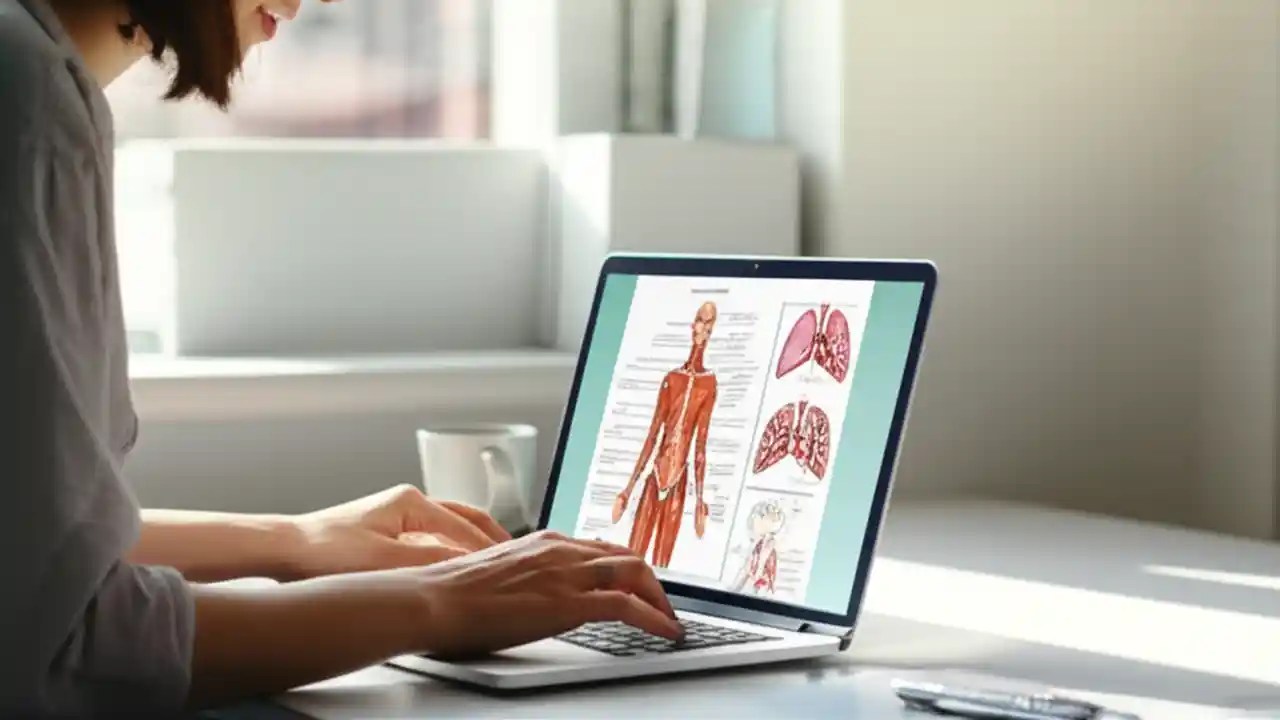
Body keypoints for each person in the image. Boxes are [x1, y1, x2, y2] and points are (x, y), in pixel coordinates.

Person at [0, 0, 682, 715]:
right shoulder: (26, 104)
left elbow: (40, 553)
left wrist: (296, 540)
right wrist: (443, 600)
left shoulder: (34, 77)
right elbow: (61, 644)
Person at [611, 302, 718, 568]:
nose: (703, 328)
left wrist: (700, 500)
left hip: (678, 482)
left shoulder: (709, 384)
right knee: (631, 561)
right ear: (693, 324)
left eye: (709, 323)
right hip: (655, 476)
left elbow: (700, 446)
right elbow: (653, 435)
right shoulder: (672, 378)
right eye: (700, 320)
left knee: (661, 567)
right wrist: (627, 490)